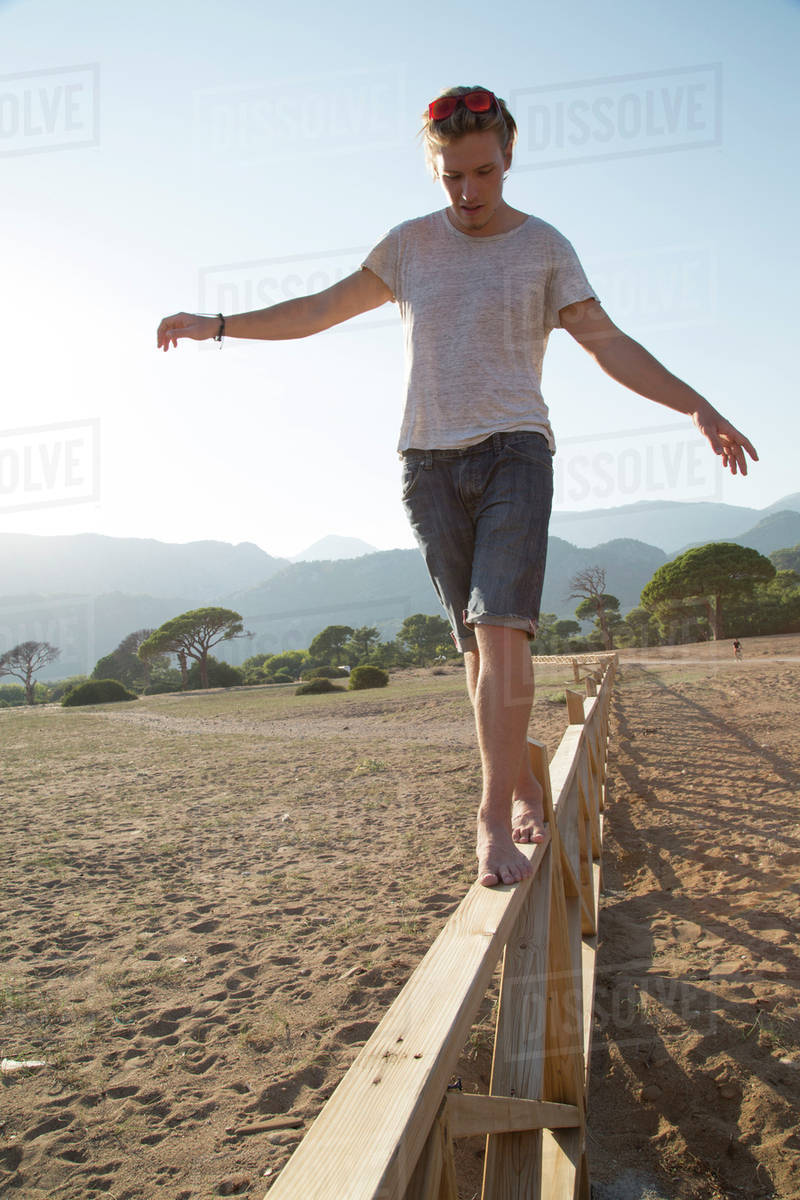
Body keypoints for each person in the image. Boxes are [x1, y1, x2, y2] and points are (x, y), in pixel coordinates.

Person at [157, 85, 758, 889]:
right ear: (435, 171)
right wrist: (222, 326)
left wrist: (698, 406)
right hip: (427, 463)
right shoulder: (407, 247)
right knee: (477, 646)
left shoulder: (545, 247)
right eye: (451, 179)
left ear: (509, 156)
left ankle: (489, 817)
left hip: (516, 449)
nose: (469, 193)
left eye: (483, 173)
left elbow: (607, 343)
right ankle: (516, 789)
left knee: (503, 631)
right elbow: (320, 309)